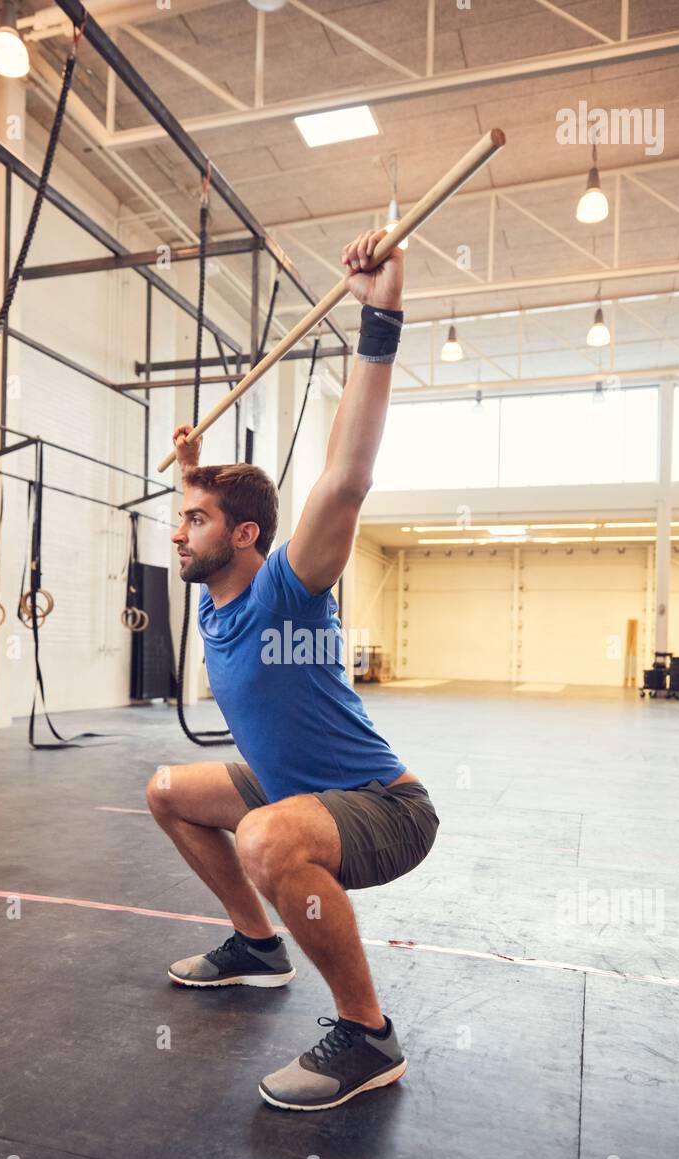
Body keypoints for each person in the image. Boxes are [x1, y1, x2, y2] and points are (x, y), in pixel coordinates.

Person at [146, 226, 440, 1111]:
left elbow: (346, 480)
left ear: (244, 538)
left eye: (193, 519)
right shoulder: (211, 588)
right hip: (281, 779)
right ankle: (257, 945)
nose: (176, 530)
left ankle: (366, 1034)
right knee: (168, 789)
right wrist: (192, 464)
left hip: (383, 807)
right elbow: (202, 511)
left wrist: (379, 314)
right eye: (181, 515)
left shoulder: (290, 585)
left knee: (265, 838)